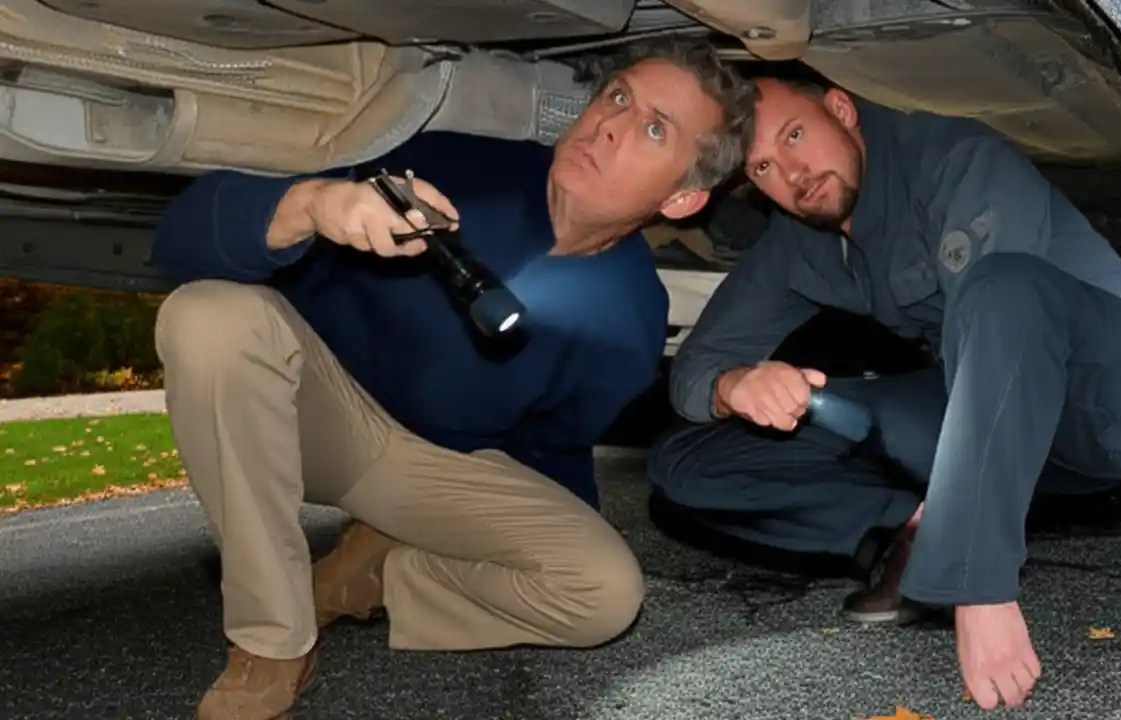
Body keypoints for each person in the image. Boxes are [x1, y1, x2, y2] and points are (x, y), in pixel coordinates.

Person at [150, 40, 755, 720]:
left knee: (606, 592)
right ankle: (272, 641)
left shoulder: (632, 313)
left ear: (682, 198)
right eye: (618, 96)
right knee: (209, 316)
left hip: (425, 471)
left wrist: (530, 544)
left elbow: (553, 450)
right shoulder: (450, 157)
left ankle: (377, 572)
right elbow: (177, 241)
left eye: (653, 129)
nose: (610, 124)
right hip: (311, 411)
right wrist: (314, 204)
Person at [648, 75, 1121, 710]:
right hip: (989, 420)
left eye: (796, 135)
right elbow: (697, 365)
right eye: (765, 167)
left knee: (1001, 287)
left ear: (841, 108)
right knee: (685, 459)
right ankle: (907, 526)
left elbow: (1006, 320)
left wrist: (977, 584)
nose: (792, 173)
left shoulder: (953, 158)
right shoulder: (800, 238)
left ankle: (972, 564)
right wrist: (734, 384)